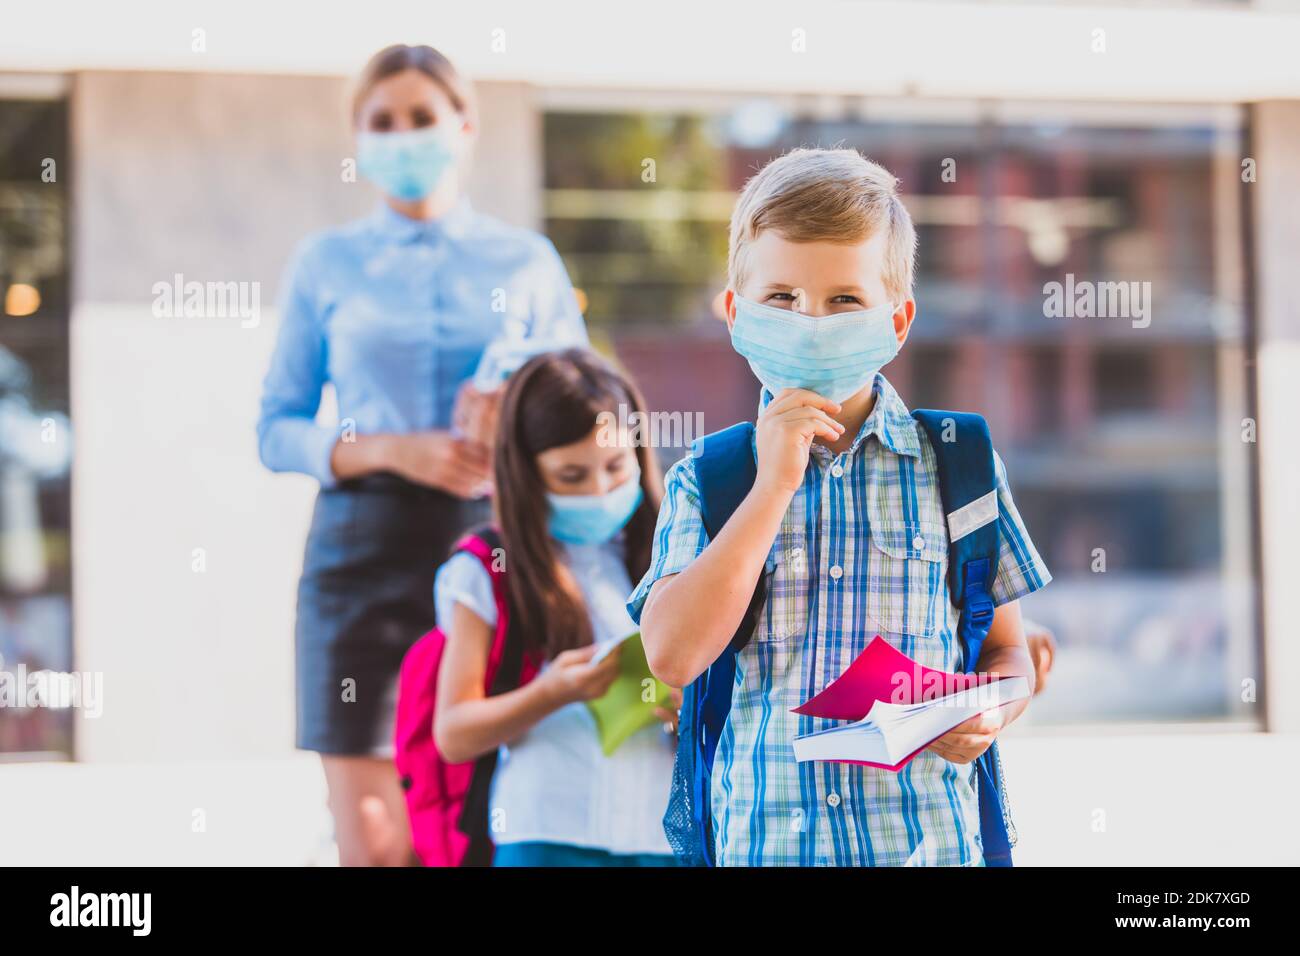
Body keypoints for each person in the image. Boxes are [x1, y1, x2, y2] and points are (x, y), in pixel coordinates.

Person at [631, 148, 1052, 866]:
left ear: (897, 320)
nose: (812, 322)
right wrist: (772, 488)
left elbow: (1009, 652)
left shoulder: (960, 461)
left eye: (845, 299)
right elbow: (670, 655)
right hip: (762, 846)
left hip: (927, 846)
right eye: (783, 297)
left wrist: (993, 708)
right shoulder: (707, 476)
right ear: (736, 313)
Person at [256, 44, 587, 866]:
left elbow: (583, 418)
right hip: (359, 559)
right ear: (359, 139)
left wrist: (516, 407)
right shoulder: (325, 263)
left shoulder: (528, 263)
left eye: (422, 117)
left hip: (494, 556)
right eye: (383, 122)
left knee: (476, 825)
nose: (404, 136)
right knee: (376, 842)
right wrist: (385, 447)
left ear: (464, 126)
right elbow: (275, 428)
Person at [434, 349, 678, 867]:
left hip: (662, 834)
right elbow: (453, 732)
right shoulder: (487, 569)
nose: (598, 490)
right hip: (547, 832)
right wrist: (549, 693)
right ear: (525, 474)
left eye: (615, 466)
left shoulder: (673, 556)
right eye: (570, 476)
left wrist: (687, 707)